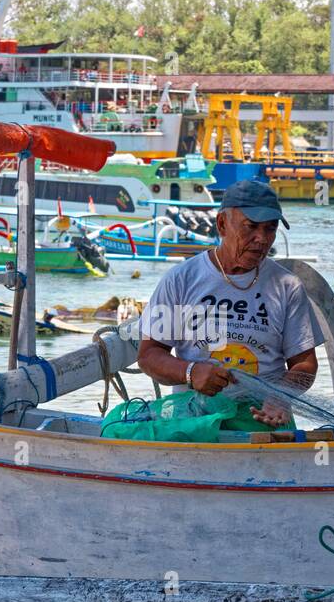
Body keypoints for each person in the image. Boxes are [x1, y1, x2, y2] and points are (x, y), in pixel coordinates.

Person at [137, 180, 323, 427]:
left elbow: (304, 363)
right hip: (195, 421)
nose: (262, 239)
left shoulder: (287, 286)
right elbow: (149, 355)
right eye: (251, 226)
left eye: (270, 228)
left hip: (265, 419)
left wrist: (280, 396)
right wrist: (190, 372)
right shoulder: (181, 279)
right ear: (222, 224)